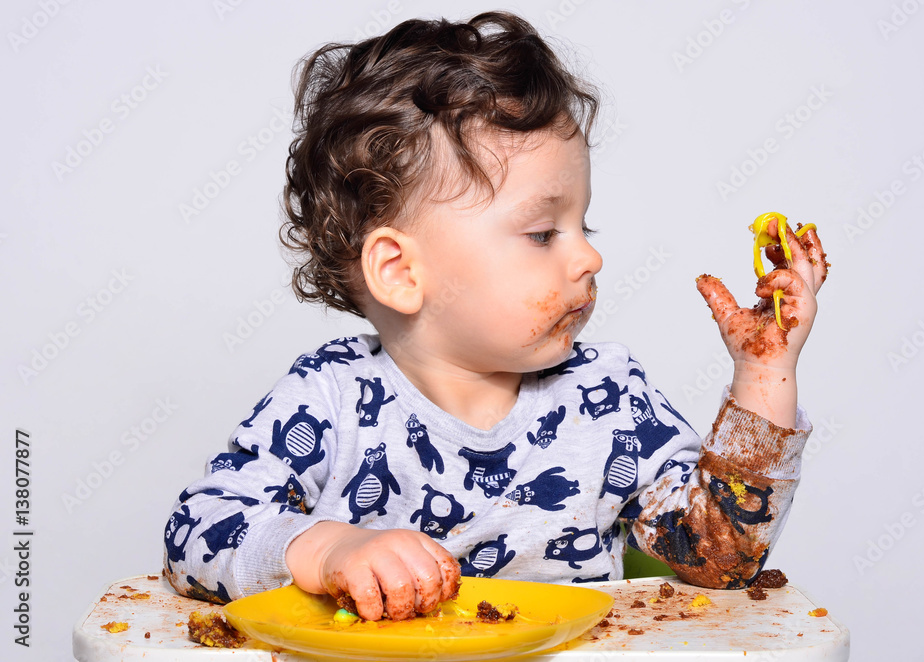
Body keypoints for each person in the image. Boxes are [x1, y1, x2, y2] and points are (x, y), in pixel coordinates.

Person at [163, 11, 827, 622]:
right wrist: (326, 549)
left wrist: (763, 376)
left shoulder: (608, 400)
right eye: (543, 234)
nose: (590, 257)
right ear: (400, 271)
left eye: (584, 225)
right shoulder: (330, 401)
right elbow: (196, 532)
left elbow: (719, 555)